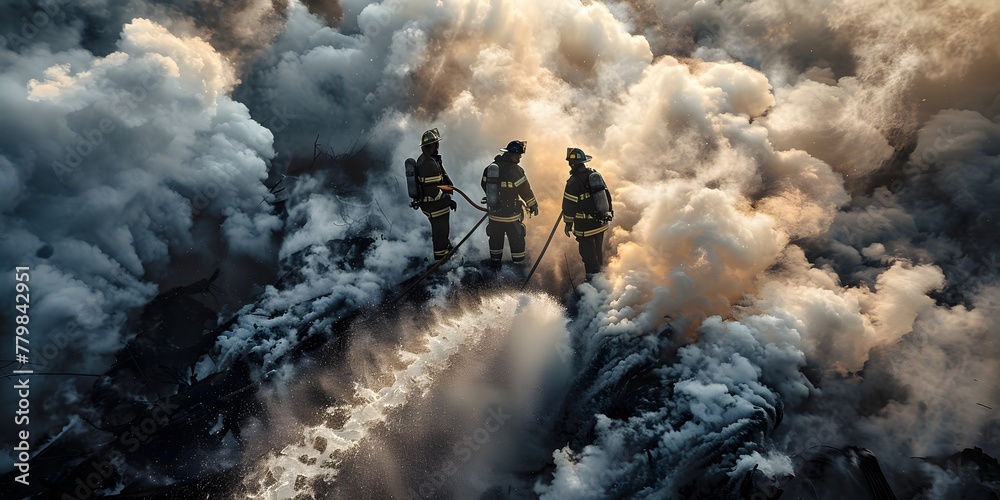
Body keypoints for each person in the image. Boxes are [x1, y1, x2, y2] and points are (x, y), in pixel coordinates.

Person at [481, 140, 538, 267]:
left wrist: (494, 200)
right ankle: (518, 267)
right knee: (517, 239)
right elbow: (525, 190)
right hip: (511, 216)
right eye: (518, 156)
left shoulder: (490, 168)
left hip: (494, 214)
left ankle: (495, 266)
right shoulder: (516, 170)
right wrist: (532, 204)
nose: (519, 158)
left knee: (495, 240)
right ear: (512, 154)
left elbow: (484, 184)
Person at [562, 148, 613, 278]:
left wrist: (568, 223)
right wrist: (609, 211)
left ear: (572, 164)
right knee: (598, 253)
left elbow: (568, 206)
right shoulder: (595, 175)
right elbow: (606, 195)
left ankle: (593, 282)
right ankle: (602, 280)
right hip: (600, 223)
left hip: (585, 227)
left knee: (588, 256)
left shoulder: (572, 182)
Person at [415, 128, 456, 260]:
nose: (437, 147)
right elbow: (432, 191)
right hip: (434, 204)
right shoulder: (428, 163)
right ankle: (441, 261)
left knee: (442, 233)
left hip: (431, 204)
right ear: (429, 146)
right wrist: (447, 200)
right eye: (435, 144)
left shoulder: (430, 159)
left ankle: (445, 253)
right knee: (440, 233)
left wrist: (449, 189)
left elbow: (438, 182)